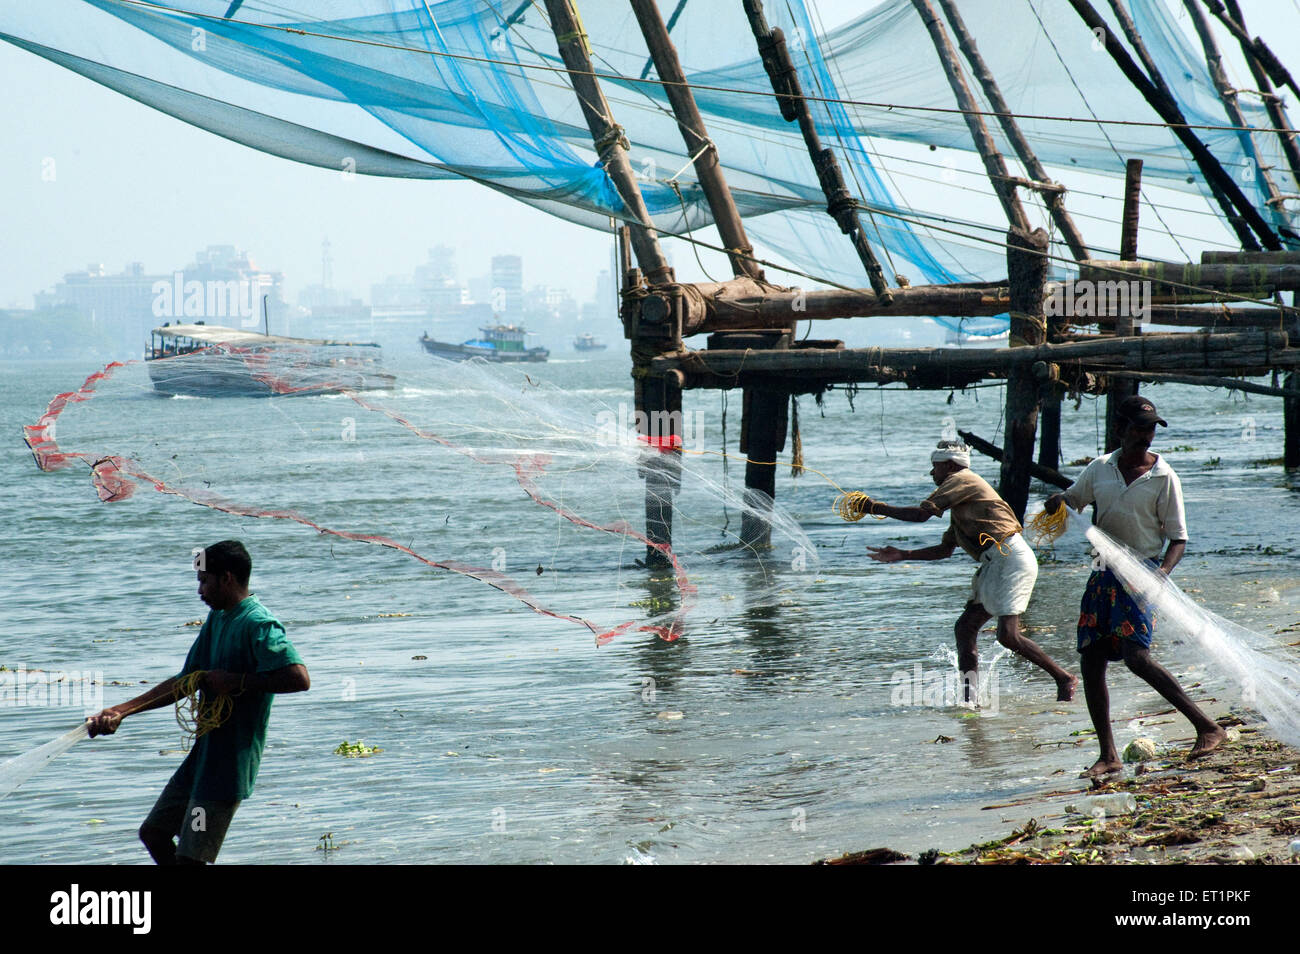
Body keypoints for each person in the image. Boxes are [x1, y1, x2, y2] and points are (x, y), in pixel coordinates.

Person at [87, 540, 309, 864]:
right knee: (154, 832)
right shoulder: (218, 620)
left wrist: (236, 681)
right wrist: (121, 711)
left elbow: (299, 678)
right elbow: (186, 681)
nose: (199, 590)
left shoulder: (258, 624)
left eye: (204, 581)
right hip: (201, 760)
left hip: (226, 768)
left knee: (190, 860)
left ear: (227, 578)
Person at [1045, 396, 1226, 776]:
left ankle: (1207, 727)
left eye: (1150, 430)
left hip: (1141, 573)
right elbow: (1073, 501)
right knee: (1092, 661)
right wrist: (1056, 502)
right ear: (1120, 430)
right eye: (1138, 429)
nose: (1145, 437)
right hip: (1101, 572)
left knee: (1136, 657)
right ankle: (1108, 755)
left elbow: (1178, 538)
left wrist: (1160, 574)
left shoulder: (1164, 477)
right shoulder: (1100, 468)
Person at [866, 440, 1077, 702]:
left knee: (1008, 636)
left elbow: (922, 514)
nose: (933, 473)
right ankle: (970, 700)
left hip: (1010, 558)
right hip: (996, 562)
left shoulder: (962, 479)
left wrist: (874, 507)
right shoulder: (962, 504)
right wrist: (903, 555)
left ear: (950, 466)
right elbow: (945, 550)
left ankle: (1063, 678)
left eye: (936, 467)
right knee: (965, 628)